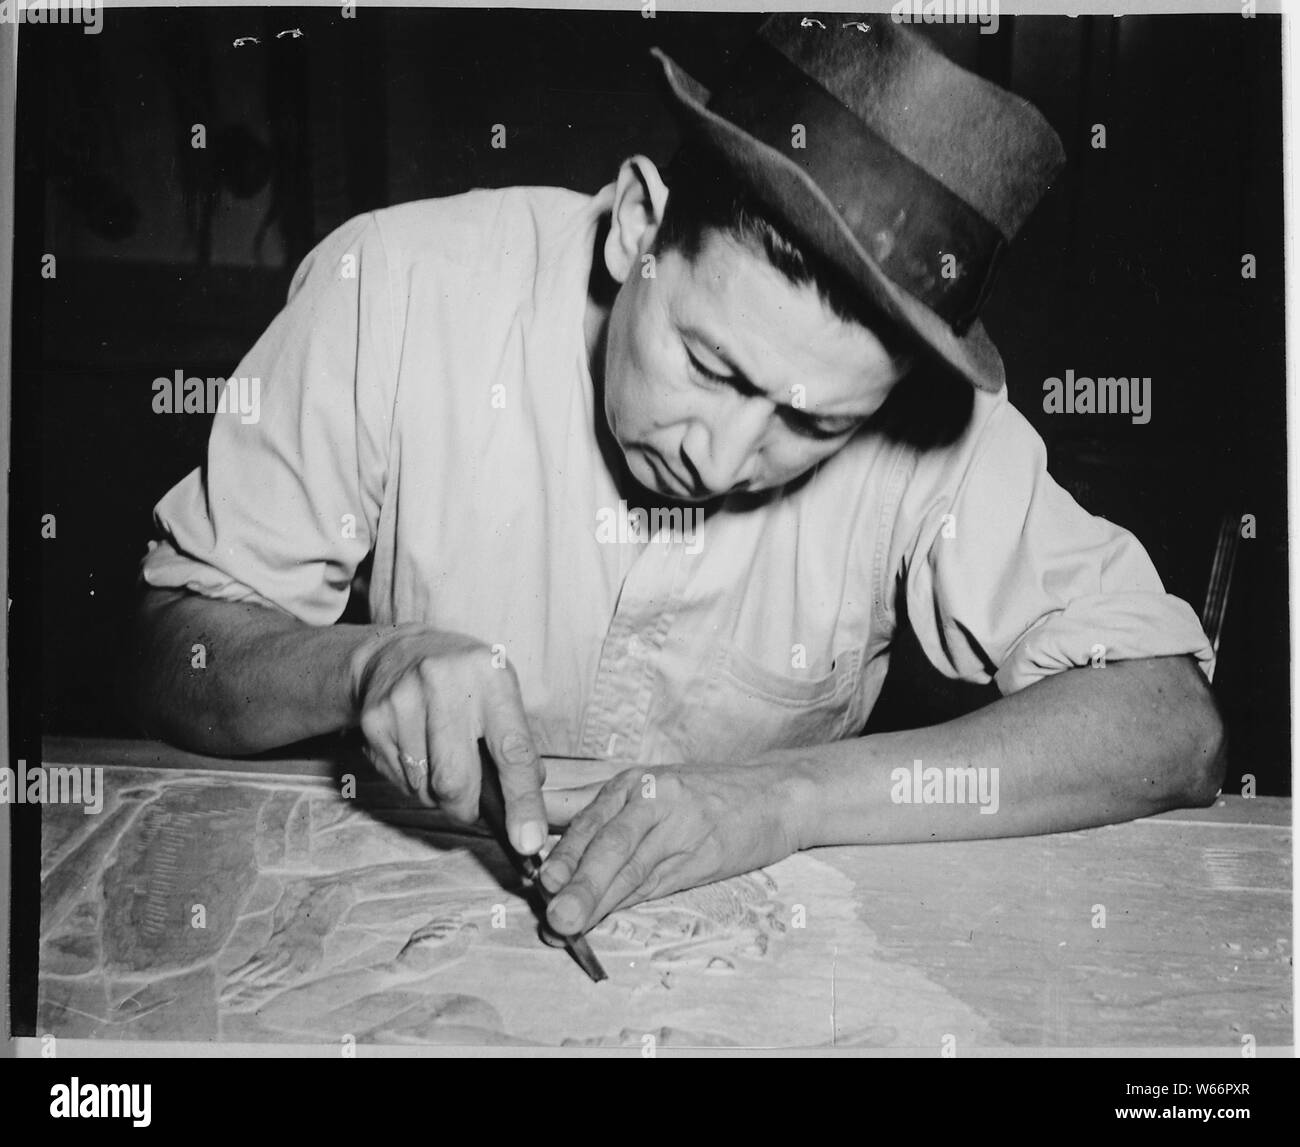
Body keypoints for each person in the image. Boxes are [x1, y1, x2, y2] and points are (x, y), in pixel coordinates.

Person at [129, 16, 1224, 941]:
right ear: (639, 227)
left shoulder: (926, 416)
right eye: (710, 364)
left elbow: (1171, 723)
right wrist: (360, 669)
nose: (724, 456)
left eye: (815, 423)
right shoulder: (398, 291)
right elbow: (168, 647)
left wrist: (781, 800)